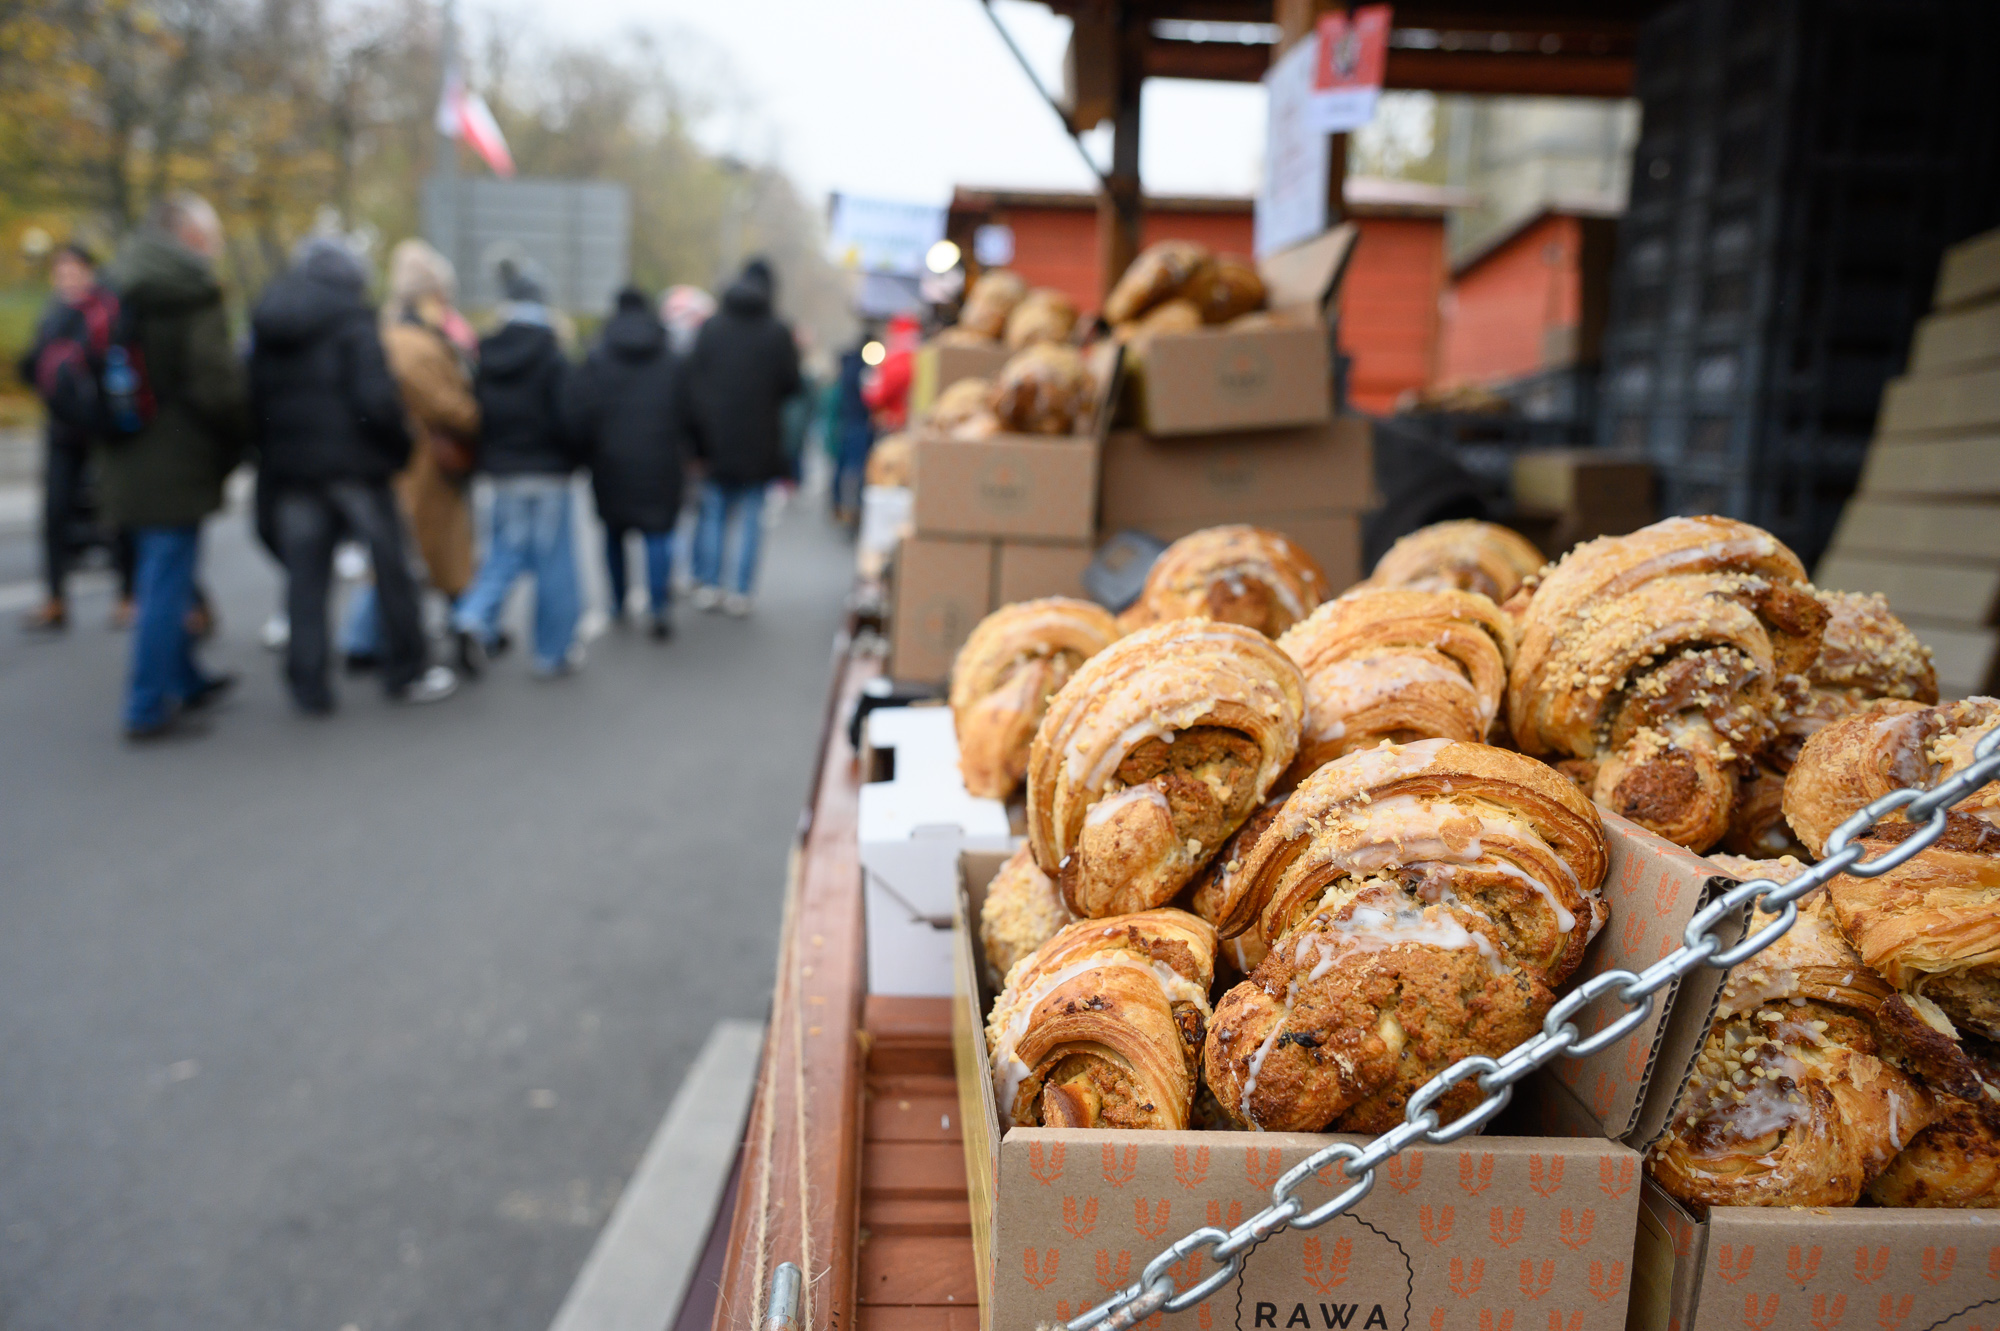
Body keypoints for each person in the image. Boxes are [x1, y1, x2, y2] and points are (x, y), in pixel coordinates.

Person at [249, 235, 458, 713]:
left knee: (306, 579)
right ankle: (406, 669)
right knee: (392, 569)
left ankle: (309, 685)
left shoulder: (270, 317)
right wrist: (398, 447)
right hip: (355, 467)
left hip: (294, 467)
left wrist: (272, 453)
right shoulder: (352, 318)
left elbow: (255, 395)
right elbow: (375, 399)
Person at [99, 193, 248, 739]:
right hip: (174, 459)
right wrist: (242, 433)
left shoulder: (120, 278)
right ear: (187, 235)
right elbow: (216, 384)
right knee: (166, 582)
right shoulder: (191, 291)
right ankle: (145, 705)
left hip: (124, 451)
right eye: (210, 234)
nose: (214, 246)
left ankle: (184, 680)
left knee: (168, 576)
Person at [339, 239, 480, 669]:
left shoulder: (389, 332)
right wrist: (472, 414)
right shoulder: (415, 343)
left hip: (409, 461)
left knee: (401, 557)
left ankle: (366, 640)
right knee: (432, 555)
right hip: (427, 465)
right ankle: (452, 633)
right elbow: (445, 404)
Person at [451, 261, 583, 677]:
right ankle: (552, 652)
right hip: (548, 473)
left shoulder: (486, 352)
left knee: (503, 552)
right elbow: (568, 416)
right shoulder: (552, 353)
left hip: (503, 472)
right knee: (554, 564)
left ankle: (472, 616)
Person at [16, 242, 137, 632]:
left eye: (71, 271)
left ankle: (128, 594)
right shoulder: (54, 313)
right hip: (62, 427)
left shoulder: (104, 308)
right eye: (59, 272)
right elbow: (39, 363)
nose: (65, 279)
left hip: (99, 429)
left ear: (87, 271)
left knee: (114, 514)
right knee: (55, 513)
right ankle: (55, 598)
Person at [679, 257, 801, 617]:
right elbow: (792, 384)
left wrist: (695, 437)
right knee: (750, 518)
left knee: (713, 513)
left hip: (715, 440)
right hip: (760, 441)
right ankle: (741, 592)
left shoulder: (712, 328)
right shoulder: (778, 331)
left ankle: (710, 584)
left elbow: (691, 381)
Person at [568, 286, 682, 640]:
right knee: (658, 534)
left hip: (610, 460)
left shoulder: (598, 356)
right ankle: (658, 607)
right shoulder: (670, 356)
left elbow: (581, 410)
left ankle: (618, 605)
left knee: (613, 534)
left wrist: (583, 455)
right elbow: (688, 409)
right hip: (660, 458)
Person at [827, 339, 875, 526]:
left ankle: (840, 505)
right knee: (855, 467)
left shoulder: (846, 369)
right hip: (857, 423)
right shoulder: (860, 370)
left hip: (845, 423)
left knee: (844, 466)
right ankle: (850, 508)